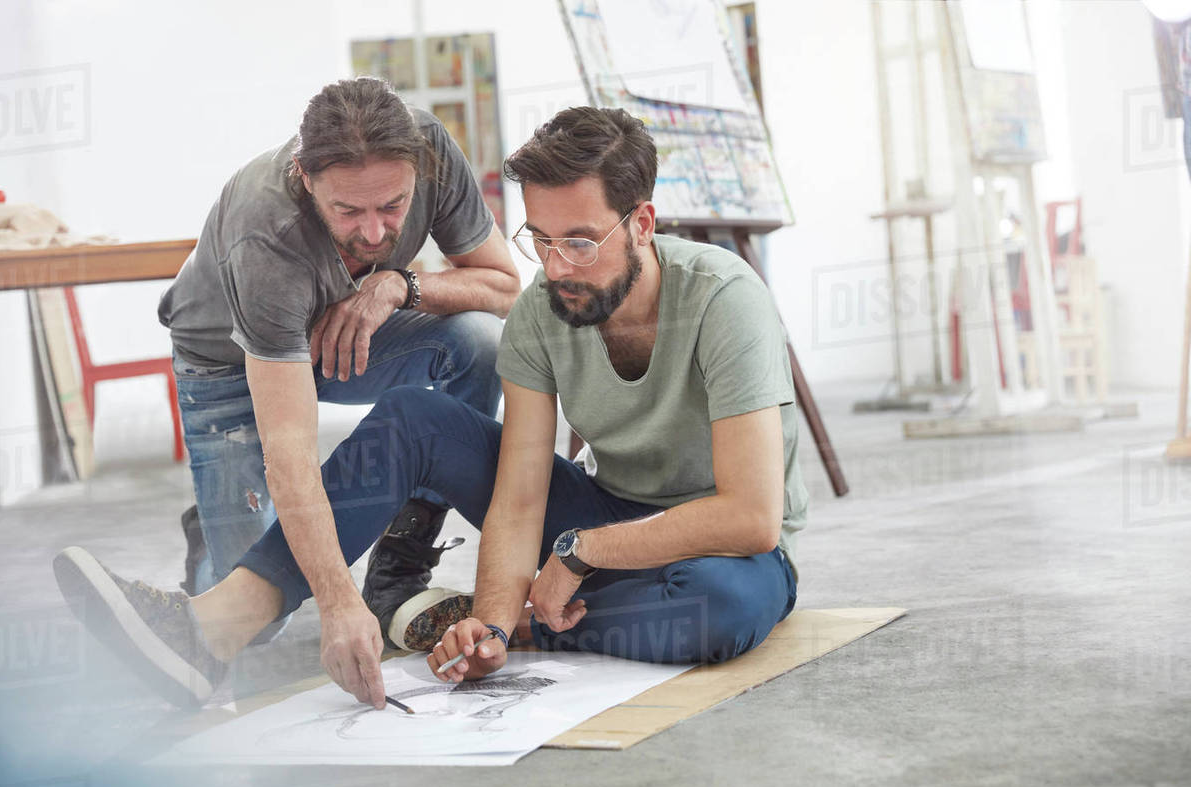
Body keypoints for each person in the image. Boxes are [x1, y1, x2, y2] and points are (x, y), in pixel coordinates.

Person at [52, 106, 805, 711]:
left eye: (581, 241)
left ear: (642, 223)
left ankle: (503, 611)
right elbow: (517, 500)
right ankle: (210, 625)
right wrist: (494, 625)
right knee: (415, 416)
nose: (556, 267)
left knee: (721, 605)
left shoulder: (723, 298)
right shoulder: (545, 309)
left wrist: (580, 555)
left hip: (719, 547)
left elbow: (749, 516)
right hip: (601, 509)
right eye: (539, 240)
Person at [155, 77, 519, 647]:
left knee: (478, 344)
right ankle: (215, 539)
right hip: (225, 365)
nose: (373, 232)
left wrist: (398, 284)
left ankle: (401, 563)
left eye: (393, 205)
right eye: (348, 210)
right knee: (253, 625)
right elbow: (291, 450)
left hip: (340, 334)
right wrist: (337, 604)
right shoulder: (267, 234)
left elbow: (503, 285)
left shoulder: (431, 145)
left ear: (418, 169)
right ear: (305, 176)